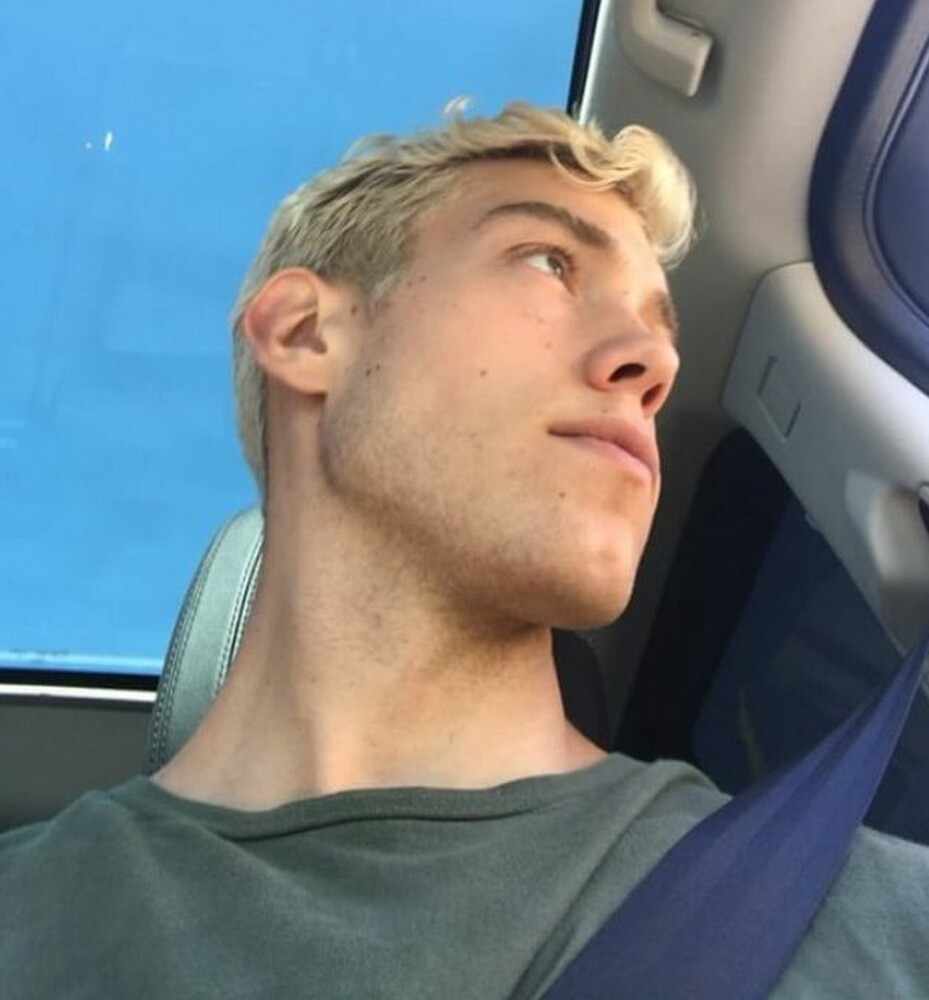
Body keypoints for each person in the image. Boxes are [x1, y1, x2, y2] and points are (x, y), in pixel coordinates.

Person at [1, 103, 927, 998]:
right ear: (305, 332)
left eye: (659, 327)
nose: (653, 364)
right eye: (548, 261)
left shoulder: (883, 922)